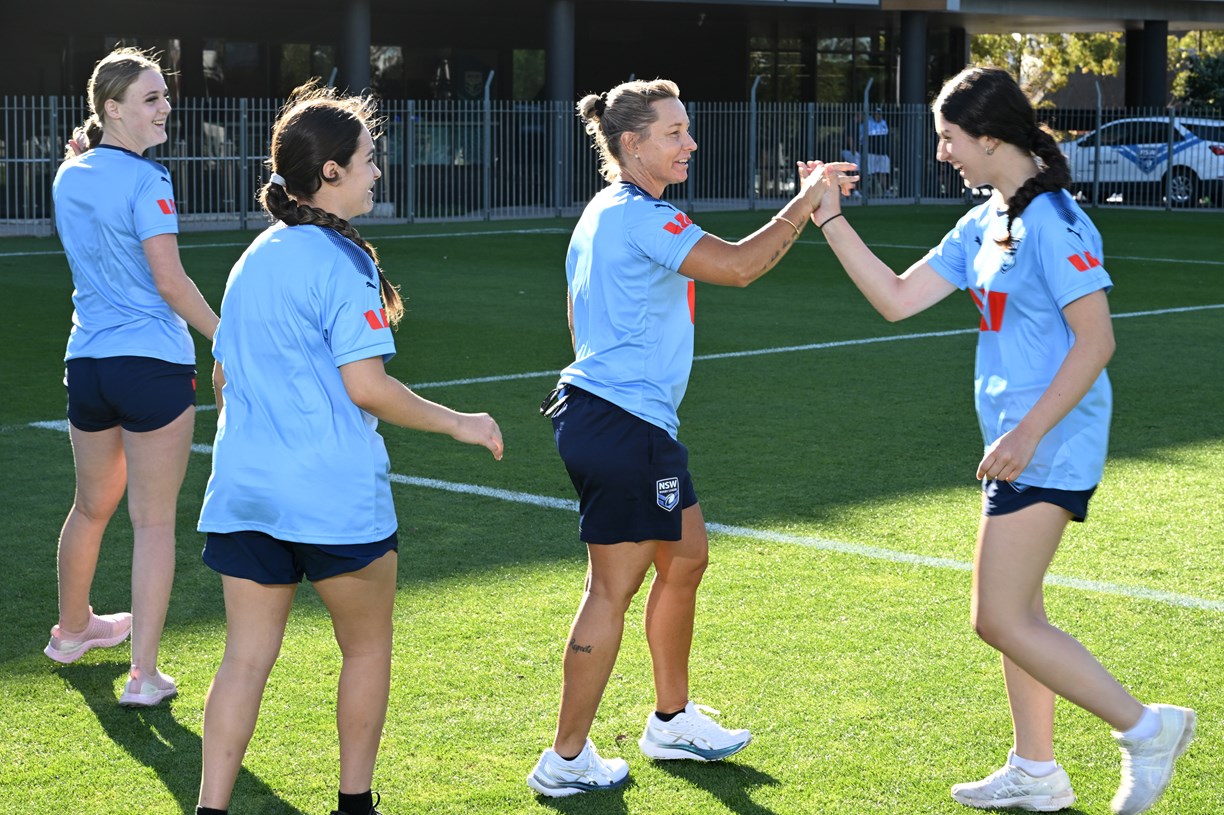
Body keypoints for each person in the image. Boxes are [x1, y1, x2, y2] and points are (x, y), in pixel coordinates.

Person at [803, 65, 1195, 815]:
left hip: (1050, 445)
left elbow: (1096, 341)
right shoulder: (985, 217)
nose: (943, 152)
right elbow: (895, 298)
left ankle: (1147, 727)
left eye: (951, 139)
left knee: (998, 617)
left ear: (989, 139)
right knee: (1021, 612)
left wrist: (1028, 431)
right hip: (1017, 444)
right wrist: (829, 217)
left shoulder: (1054, 220)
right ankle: (1036, 769)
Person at [527, 78, 852, 798]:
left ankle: (671, 719)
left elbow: (582, 322)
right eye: (674, 132)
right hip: (623, 425)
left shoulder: (607, 212)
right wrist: (808, 201)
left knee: (687, 556)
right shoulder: (639, 215)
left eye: (688, 128)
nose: (690, 143)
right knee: (609, 590)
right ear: (632, 143)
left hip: (621, 420)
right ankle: (565, 758)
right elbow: (739, 266)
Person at [194, 82, 503, 815]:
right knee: (365, 648)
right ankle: (354, 805)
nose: (377, 171)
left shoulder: (252, 259)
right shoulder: (340, 261)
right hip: (332, 497)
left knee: (243, 660)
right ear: (328, 172)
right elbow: (368, 386)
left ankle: (210, 807)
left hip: (245, 494)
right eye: (368, 159)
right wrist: (461, 421)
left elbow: (221, 376)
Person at [47, 46, 219, 708]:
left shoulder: (68, 176)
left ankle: (71, 630)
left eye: (165, 97)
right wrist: (226, 334)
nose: (165, 108)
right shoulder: (150, 182)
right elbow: (170, 282)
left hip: (86, 364)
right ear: (112, 108)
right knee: (152, 521)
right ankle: (142, 674)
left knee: (90, 506)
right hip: (152, 366)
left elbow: (80, 171)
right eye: (151, 99)